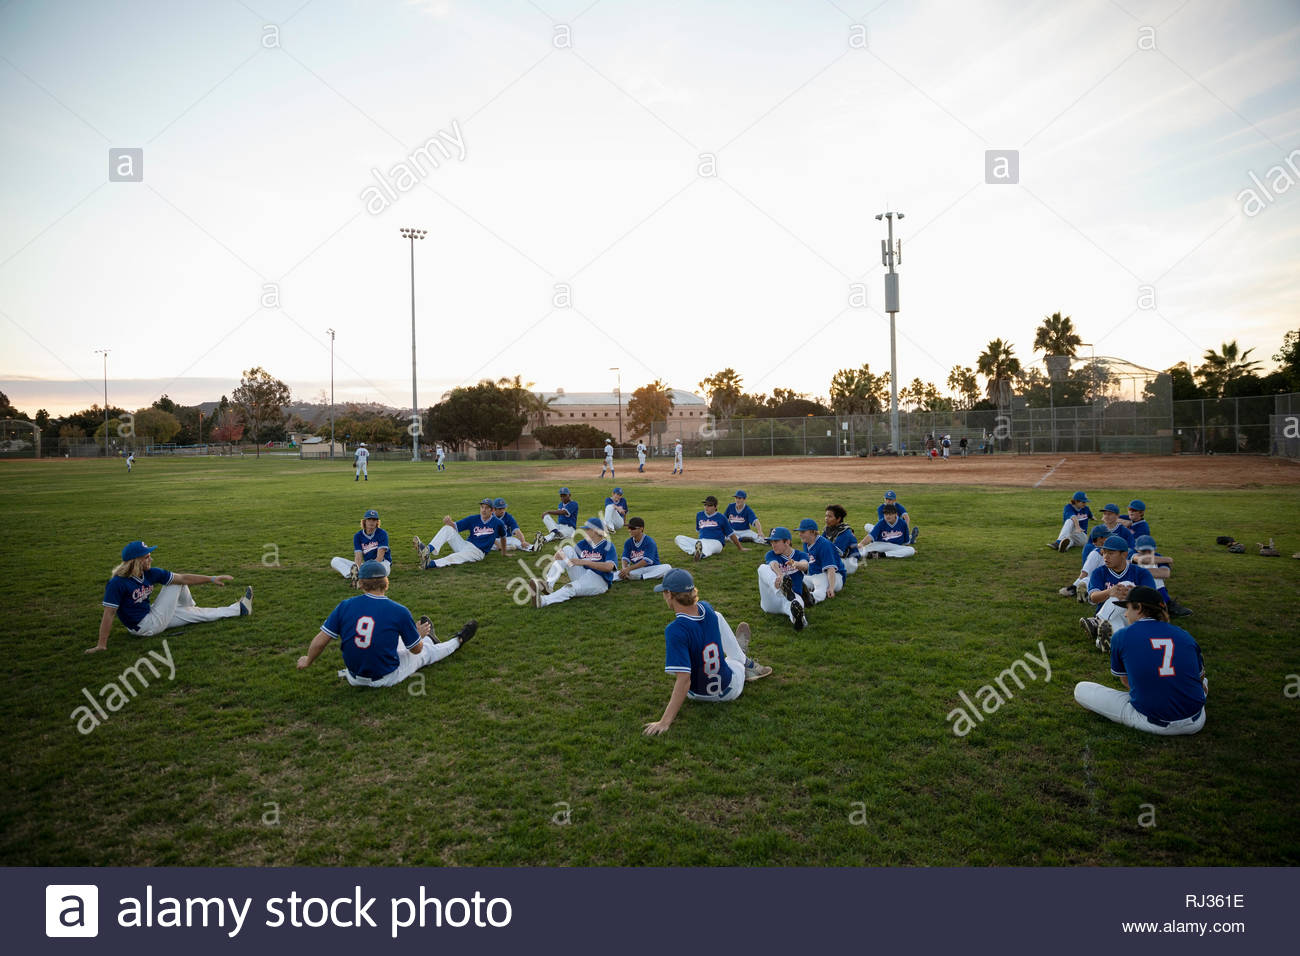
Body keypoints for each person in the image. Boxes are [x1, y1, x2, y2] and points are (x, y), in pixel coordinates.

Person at [296, 560, 478, 687]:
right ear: (386, 582)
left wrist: (308, 660)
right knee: (427, 652)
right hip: (385, 677)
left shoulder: (345, 606)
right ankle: (458, 640)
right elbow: (416, 650)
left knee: (392, 635)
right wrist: (419, 637)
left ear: (360, 584)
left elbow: (321, 641)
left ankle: (426, 637)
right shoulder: (398, 610)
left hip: (353, 676)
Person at [643, 569, 771, 735]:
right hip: (727, 691)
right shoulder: (707, 608)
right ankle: (744, 661)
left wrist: (664, 721)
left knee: (715, 627)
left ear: (669, 594)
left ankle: (741, 657)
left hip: (695, 694)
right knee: (724, 636)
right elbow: (683, 680)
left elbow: (684, 680)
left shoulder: (674, 630)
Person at [1073, 586, 1206, 735]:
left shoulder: (1122, 635)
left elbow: (1127, 683)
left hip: (1152, 720)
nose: (1125, 614)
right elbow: (1199, 678)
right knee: (1199, 681)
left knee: (1081, 689)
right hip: (1196, 720)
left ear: (1140, 608)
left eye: (1128, 608)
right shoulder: (1184, 635)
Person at [91, 540, 252, 653]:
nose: (151, 558)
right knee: (174, 583)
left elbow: (184, 578)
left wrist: (211, 578)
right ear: (136, 561)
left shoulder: (150, 573)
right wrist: (101, 645)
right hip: (143, 626)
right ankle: (190, 607)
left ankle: (239, 609)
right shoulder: (117, 583)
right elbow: (109, 614)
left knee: (199, 614)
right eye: (146, 556)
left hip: (152, 615)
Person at [1079, 534, 1157, 649]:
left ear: (1124, 554)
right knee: (1115, 624)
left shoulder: (1141, 573)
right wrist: (1109, 592)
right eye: (1104, 552)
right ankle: (1104, 638)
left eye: (1111, 553)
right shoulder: (1099, 572)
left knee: (1126, 585)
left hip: (1135, 615)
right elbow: (1093, 597)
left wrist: (1133, 594)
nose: (1106, 557)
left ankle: (1097, 622)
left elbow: (1152, 599)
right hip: (1112, 617)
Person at [528, 517, 617, 607]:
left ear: (595, 531)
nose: (584, 531)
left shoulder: (608, 546)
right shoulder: (583, 544)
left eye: (587, 529)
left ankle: (543, 601)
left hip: (599, 581)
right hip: (583, 575)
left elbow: (610, 567)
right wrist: (558, 555)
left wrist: (585, 562)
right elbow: (567, 557)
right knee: (566, 549)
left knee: (570, 588)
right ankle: (548, 585)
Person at [413, 498, 507, 568]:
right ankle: (427, 550)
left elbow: (503, 537)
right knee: (448, 528)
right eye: (482, 507)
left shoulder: (498, 523)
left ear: (492, 510)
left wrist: (504, 552)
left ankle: (430, 564)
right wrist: (449, 522)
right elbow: (455, 526)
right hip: (465, 545)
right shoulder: (473, 518)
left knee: (455, 557)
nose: (483, 510)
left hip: (478, 552)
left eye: (486, 508)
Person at [756, 527, 808, 630]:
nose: (773, 544)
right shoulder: (771, 554)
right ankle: (782, 587)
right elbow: (773, 563)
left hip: (792, 596)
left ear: (787, 542)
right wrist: (780, 575)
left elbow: (805, 565)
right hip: (772, 599)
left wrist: (796, 564)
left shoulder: (800, 555)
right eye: (771, 541)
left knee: (796, 604)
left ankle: (799, 621)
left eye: (776, 541)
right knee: (762, 568)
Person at [1131, 534, 1191, 618]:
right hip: (1133, 588)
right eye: (1144, 551)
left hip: (1151, 589)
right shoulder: (1132, 554)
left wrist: (1140, 572)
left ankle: (1162, 605)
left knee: (1153, 574)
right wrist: (1168, 559)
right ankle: (1165, 604)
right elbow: (1143, 560)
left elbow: (1165, 573)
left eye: (1150, 550)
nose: (1147, 553)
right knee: (1149, 568)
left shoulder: (1158, 557)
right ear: (1137, 549)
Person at [676, 495, 747, 560]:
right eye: (705, 505)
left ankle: (702, 553)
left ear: (715, 507)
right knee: (679, 538)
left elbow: (731, 534)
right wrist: (700, 541)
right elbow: (699, 530)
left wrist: (740, 548)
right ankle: (695, 551)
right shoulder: (699, 515)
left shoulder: (721, 517)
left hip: (716, 543)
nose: (706, 507)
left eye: (709, 505)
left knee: (707, 545)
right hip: (702, 541)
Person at [331, 508, 390, 586]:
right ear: (364, 521)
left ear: (377, 522)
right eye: (369, 519)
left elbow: (380, 557)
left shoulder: (382, 533)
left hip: (381, 563)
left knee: (382, 571)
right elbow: (358, 556)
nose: (371, 522)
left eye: (374, 520)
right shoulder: (358, 536)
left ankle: (361, 576)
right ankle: (354, 575)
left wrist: (366, 568)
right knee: (335, 560)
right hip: (366, 564)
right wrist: (358, 568)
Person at [1058, 524, 1111, 601]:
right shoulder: (1094, 551)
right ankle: (1078, 589)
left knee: (1089, 580)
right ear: (1100, 539)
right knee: (1089, 579)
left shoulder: (1101, 548)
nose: (1110, 538)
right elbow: (1085, 572)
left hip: (1102, 577)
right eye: (1108, 537)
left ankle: (1081, 590)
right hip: (1098, 578)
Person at [796, 518, 844, 601]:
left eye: (803, 532)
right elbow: (811, 563)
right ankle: (796, 592)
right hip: (816, 575)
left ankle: (814, 598)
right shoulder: (806, 542)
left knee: (820, 578)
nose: (800, 534)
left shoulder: (824, 545)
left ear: (812, 532)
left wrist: (831, 588)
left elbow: (831, 569)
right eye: (799, 532)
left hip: (835, 577)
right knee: (797, 578)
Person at [616, 516, 672, 582]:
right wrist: (624, 569)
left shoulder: (649, 542)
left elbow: (646, 561)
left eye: (633, 528)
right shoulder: (628, 542)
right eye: (629, 528)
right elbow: (625, 558)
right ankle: (628, 576)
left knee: (667, 567)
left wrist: (628, 569)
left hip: (652, 568)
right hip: (637, 568)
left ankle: (640, 577)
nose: (630, 530)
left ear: (641, 529)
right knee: (617, 574)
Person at [822, 504, 859, 574]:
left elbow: (836, 553)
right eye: (826, 516)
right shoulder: (828, 528)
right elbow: (820, 544)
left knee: (824, 565)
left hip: (849, 561)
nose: (826, 518)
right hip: (837, 557)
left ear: (838, 519)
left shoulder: (845, 532)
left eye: (830, 516)